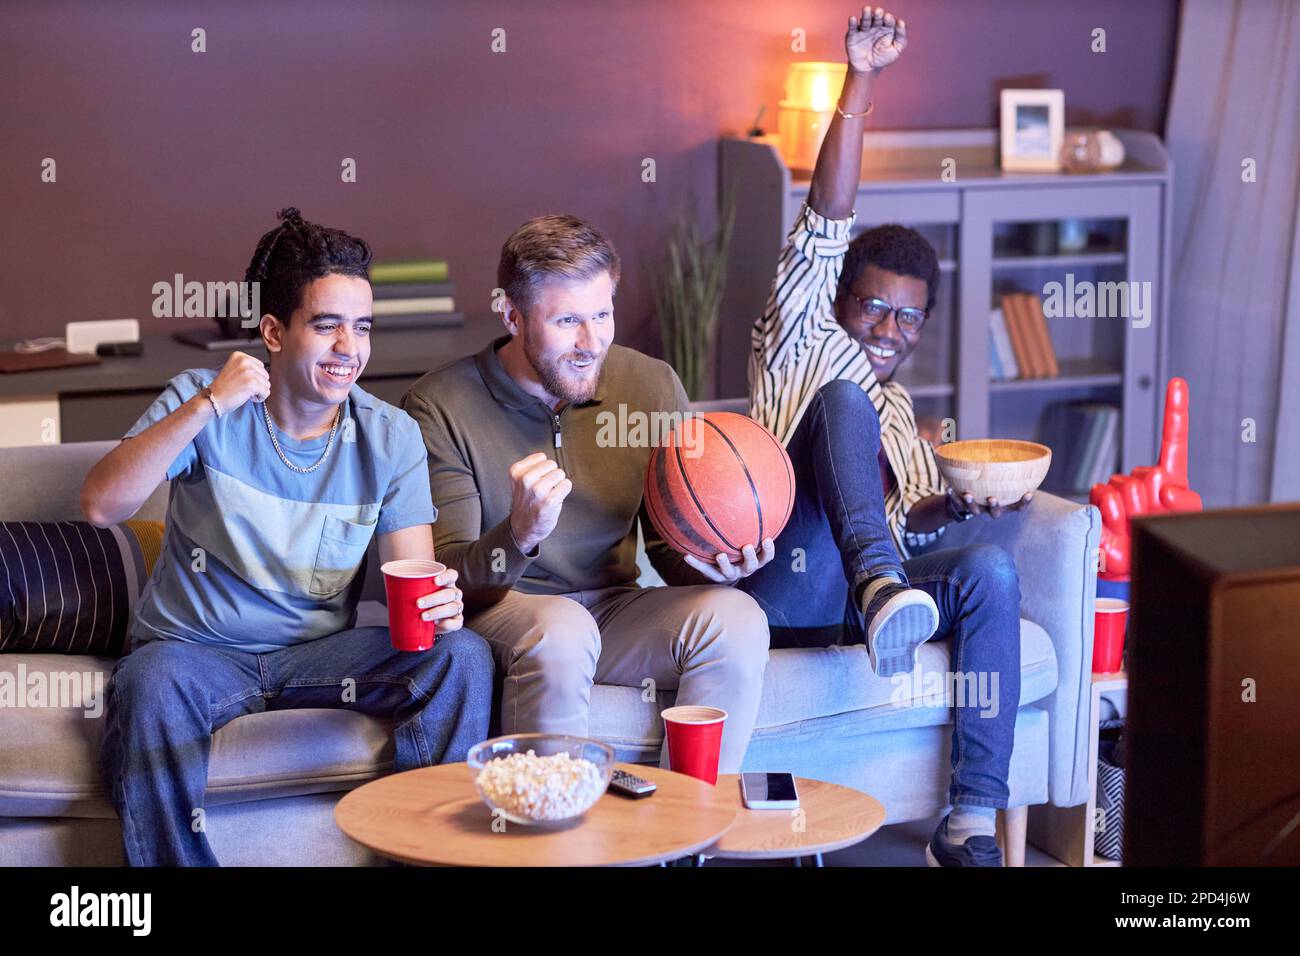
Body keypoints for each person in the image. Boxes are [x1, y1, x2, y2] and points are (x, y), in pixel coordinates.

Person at [83, 208, 492, 866]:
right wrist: (207, 406)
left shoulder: (389, 437)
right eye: (327, 326)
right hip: (196, 656)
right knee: (149, 681)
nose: (349, 349)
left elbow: (409, 585)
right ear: (273, 332)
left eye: (362, 328)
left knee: (464, 658)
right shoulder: (204, 401)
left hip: (318, 658)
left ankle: (431, 859)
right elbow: (102, 504)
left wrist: (438, 605)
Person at [739, 7, 1027, 867]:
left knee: (991, 570)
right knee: (843, 403)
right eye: (873, 305)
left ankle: (971, 821)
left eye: (909, 317)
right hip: (792, 586)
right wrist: (860, 77)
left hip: (877, 604)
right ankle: (876, 587)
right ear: (837, 299)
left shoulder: (902, 413)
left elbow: (907, 521)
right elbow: (831, 211)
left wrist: (953, 505)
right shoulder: (804, 335)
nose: (889, 329)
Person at [401, 214, 772, 774]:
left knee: (738, 616)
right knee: (563, 629)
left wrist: (715, 562)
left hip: (616, 607)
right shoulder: (440, 405)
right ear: (511, 314)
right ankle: (556, 842)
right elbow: (450, 582)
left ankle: (687, 838)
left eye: (603, 314)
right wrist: (519, 535)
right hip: (507, 611)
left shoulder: (649, 384)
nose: (591, 342)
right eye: (567, 320)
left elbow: (668, 554)